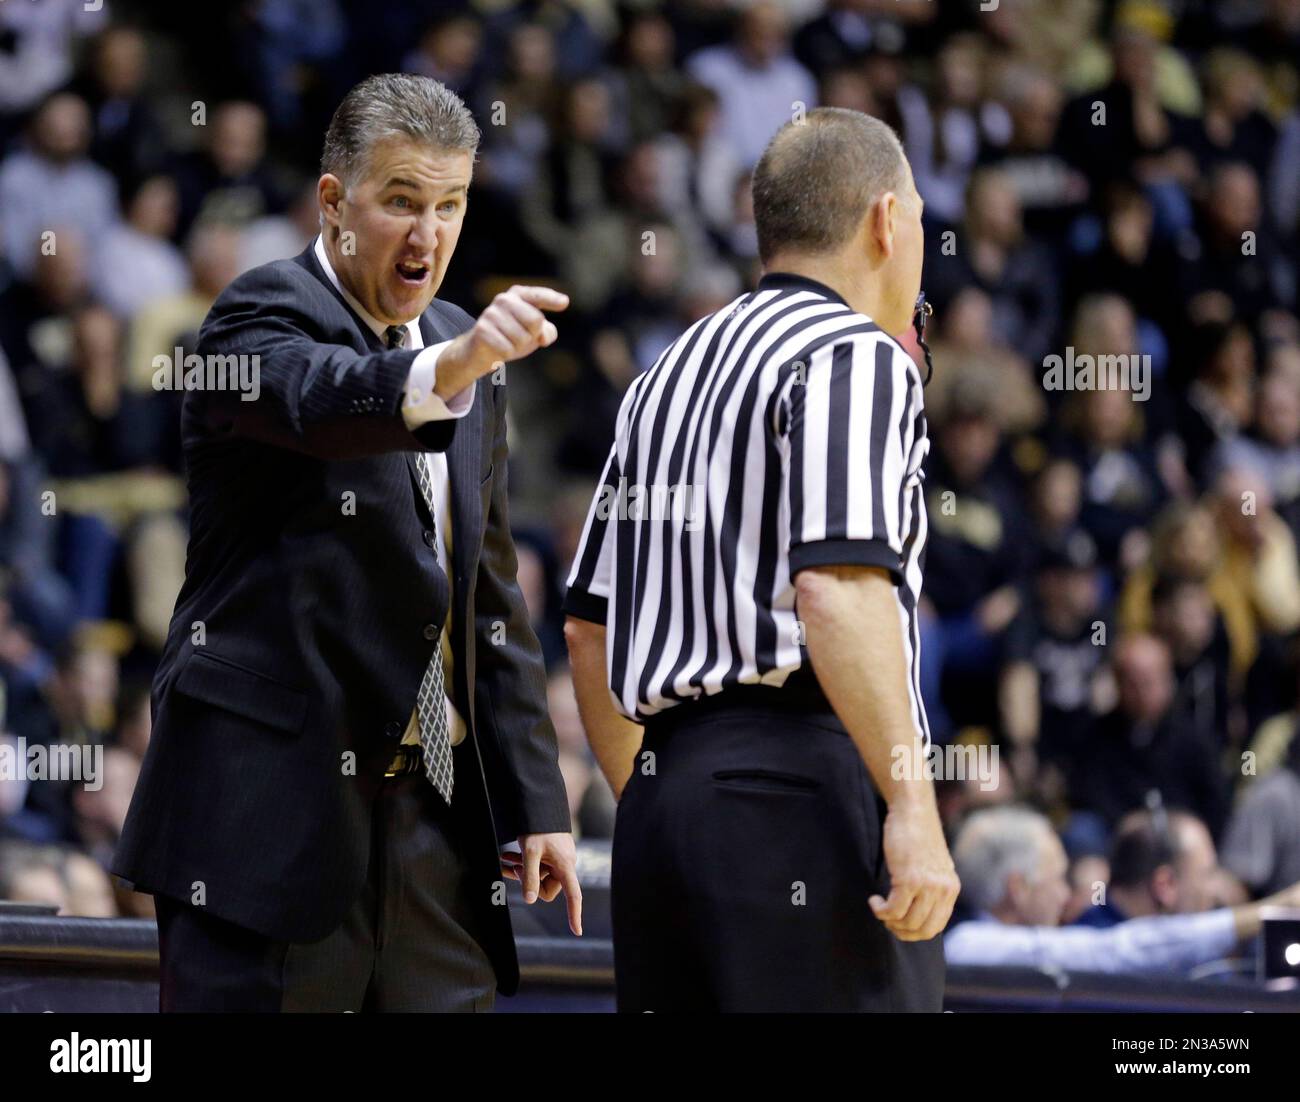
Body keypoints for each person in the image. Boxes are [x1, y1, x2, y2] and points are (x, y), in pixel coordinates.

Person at [111, 74, 578, 1012]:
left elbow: (486, 597)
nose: (429, 235)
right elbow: (320, 397)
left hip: (434, 831)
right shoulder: (255, 313)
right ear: (334, 202)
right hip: (268, 825)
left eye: (449, 205)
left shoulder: (461, 346)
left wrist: (535, 800)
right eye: (402, 201)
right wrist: (450, 365)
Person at [564, 107, 958, 1012]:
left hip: (663, 812)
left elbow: (590, 630)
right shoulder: (857, 355)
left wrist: (671, 805)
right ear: (886, 222)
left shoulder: (667, 372)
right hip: (803, 796)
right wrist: (912, 805)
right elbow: (834, 589)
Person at [946, 806, 1300, 974]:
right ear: (1018, 887)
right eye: (1056, 878)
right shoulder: (967, 945)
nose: (1065, 895)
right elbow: (1116, 951)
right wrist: (1271, 911)